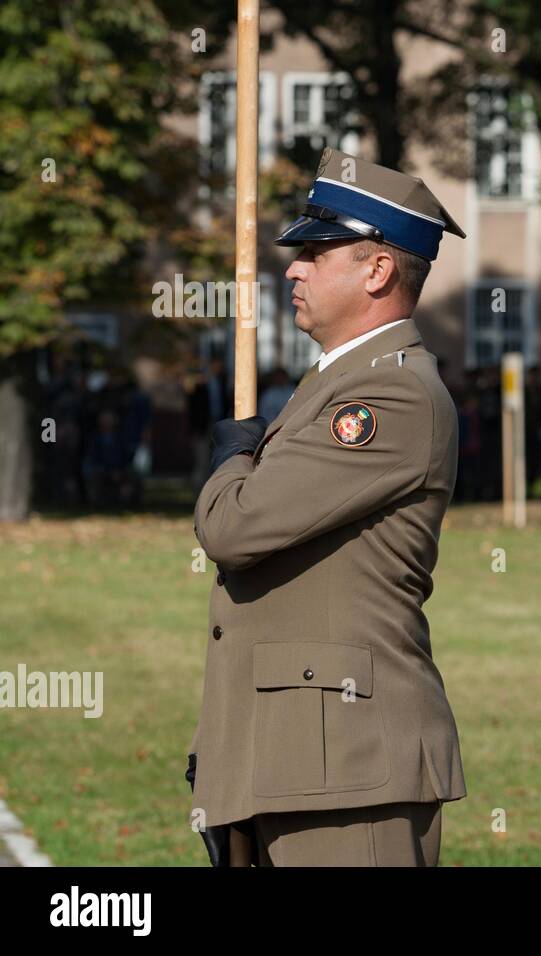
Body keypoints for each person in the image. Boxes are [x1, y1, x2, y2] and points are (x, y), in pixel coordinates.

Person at [186, 147, 468, 867]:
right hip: (287, 754)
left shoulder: (389, 396)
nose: (293, 269)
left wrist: (230, 460)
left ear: (376, 271)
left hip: (346, 766)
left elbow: (235, 526)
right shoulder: (332, 384)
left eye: (315, 251)